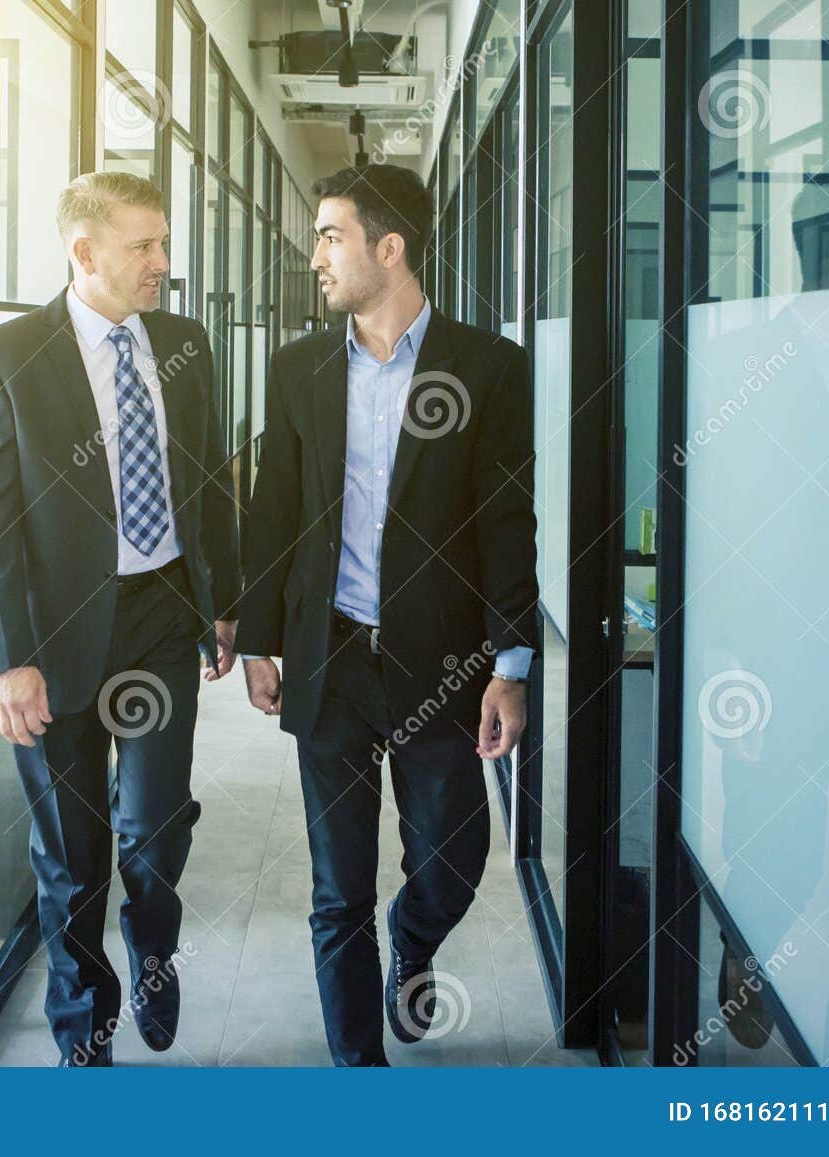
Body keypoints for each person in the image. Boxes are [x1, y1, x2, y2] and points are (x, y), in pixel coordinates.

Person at [235, 163, 538, 1066]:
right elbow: (273, 509)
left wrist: (511, 667)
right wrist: (258, 638)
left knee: (450, 864)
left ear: (389, 247)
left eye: (331, 235)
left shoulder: (488, 367)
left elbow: (506, 519)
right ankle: (358, 1075)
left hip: (440, 660)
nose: (316, 255)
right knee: (337, 892)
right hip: (330, 657)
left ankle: (415, 940)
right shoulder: (297, 370)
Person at [0, 170, 240, 1066]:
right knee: (71, 853)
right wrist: (6, 660)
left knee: (154, 826)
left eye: (163, 242)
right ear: (84, 251)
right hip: (53, 636)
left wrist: (223, 602)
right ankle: (86, 1025)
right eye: (143, 246)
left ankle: (153, 951)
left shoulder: (185, 344)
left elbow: (207, 484)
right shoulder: (10, 355)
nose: (163, 262)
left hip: (160, 614)